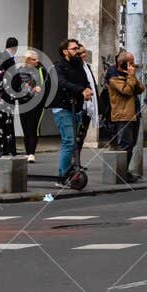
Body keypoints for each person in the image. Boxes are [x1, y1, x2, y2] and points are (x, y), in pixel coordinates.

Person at [50, 38, 92, 188]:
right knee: (69, 141)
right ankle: (62, 177)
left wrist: (87, 90)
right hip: (62, 108)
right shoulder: (58, 66)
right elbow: (62, 83)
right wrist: (81, 90)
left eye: (78, 49)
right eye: (74, 49)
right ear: (65, 51)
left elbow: (85, 82)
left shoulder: (79, 64)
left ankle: (71, 173)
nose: (78, 51)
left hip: (77, 107)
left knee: (74, 142)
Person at [102, 51, 145, 179]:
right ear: (123, 64)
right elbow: (126, 91)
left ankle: (124, 172)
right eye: (131, 63)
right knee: (125, 144)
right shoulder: (113, 77)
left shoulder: (128, 75)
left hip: (133, 113)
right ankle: (120, 173)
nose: (133, 65)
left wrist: (132, 76)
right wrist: (131, 76)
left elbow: (141, 88)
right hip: (123, 114)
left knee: (131, 144)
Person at [6, 50, 49, 163]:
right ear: (27, 60)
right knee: (25, 128)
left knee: (33, 128)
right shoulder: (19, 71)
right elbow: (14, 87)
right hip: (23, 104)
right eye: (34, 59)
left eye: (37, 59)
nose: (37, 61)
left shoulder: (41, 70)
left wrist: (40, 89)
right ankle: (27, 153)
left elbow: (47, 85)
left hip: (36, 104)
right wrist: (21, 90)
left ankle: (31, 153)